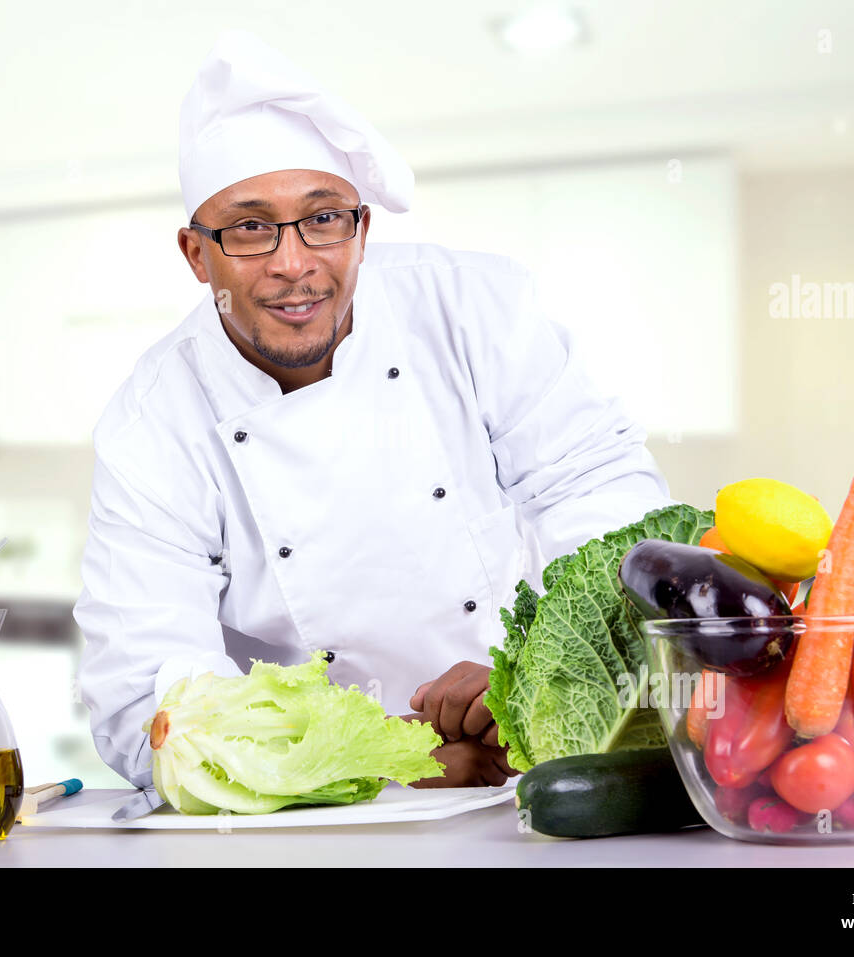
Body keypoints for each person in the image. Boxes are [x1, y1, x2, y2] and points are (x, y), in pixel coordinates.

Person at [73, 30, 675, 790]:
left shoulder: (474, 309)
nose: (295, 262)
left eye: (324, 217)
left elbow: (603, 503)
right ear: (198, 254)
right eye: (251, 227)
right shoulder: (153, 422)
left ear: (363, 230)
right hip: (311, 815)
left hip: (526, 766)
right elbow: (149, 697)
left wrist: (533, 682)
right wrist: (383, 759)